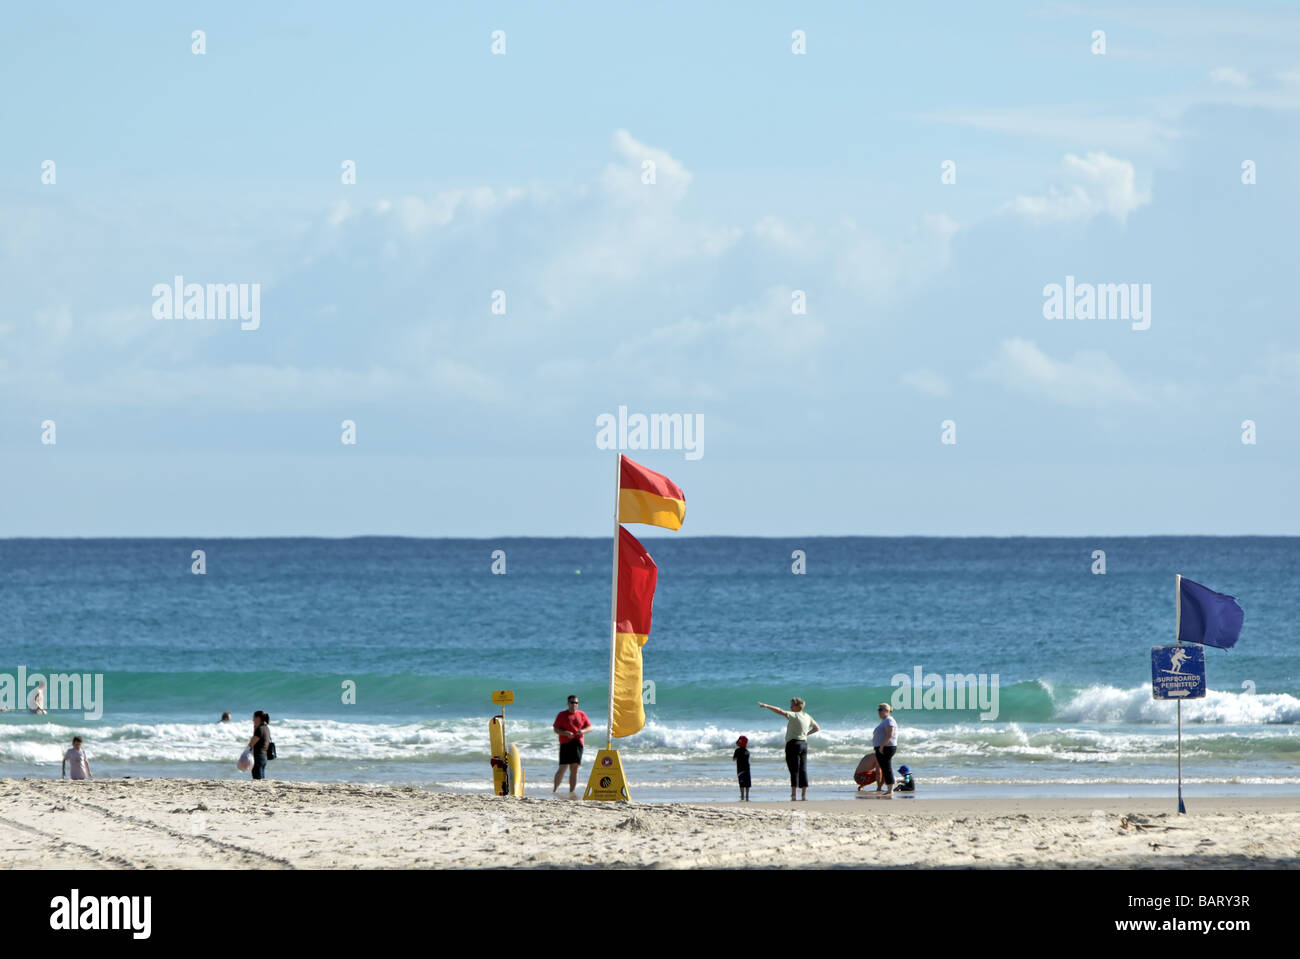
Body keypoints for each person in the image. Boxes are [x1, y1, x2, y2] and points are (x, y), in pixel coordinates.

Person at [759, 697, 819, 801]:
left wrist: (767, 706)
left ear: (796, 706)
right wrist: (806, 734)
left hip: (793, 744)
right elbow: (817, 728)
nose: (790, 707)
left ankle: (793, 794)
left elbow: (780, 711)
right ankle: (804, 794)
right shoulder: (807, 716)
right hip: (803, 744)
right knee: (803, 769)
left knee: (793, 769)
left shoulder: (794, 715)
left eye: (792, 705)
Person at [552, 695, 593, 795]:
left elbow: (589, 727)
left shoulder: (582, 714)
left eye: (576, 703)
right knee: (563, 767)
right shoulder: (562, 715)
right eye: (572, 702)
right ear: (568, 703)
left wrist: (582, 731)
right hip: (565, 743)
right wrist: (566, 733)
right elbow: (556, 729)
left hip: (578, 743)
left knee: (574, 768)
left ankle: (571, 792)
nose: (574, 704)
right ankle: (555, 790)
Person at [873, 702, 898, 797]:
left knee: (887, 767)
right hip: (883, 747)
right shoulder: (885, 721)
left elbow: (889, 735)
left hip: (886, 747)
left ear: (887, 711)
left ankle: (890, 789)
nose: (879, 712)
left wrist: (881, 746)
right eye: (878, 710)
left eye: (881, 710)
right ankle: (889, 788)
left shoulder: (889, 720)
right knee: (885, 767)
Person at [248, 711, 271, 780]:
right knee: (261, 778)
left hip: (258, 756)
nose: (253, 720)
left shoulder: (260, 729)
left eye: (254, 718)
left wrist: (246, 752)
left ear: (258, 718)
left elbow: (252, 743)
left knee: (257, 778)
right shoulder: (266, 728)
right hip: (264, 756)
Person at [733, 735, 751, 801]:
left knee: (741, 784)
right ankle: (747, 796)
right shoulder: (747, 751)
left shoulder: (737, 751)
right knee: (747, 783)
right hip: (747, 769)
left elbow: (734, 759)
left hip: (740, 769)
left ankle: (742, 795)